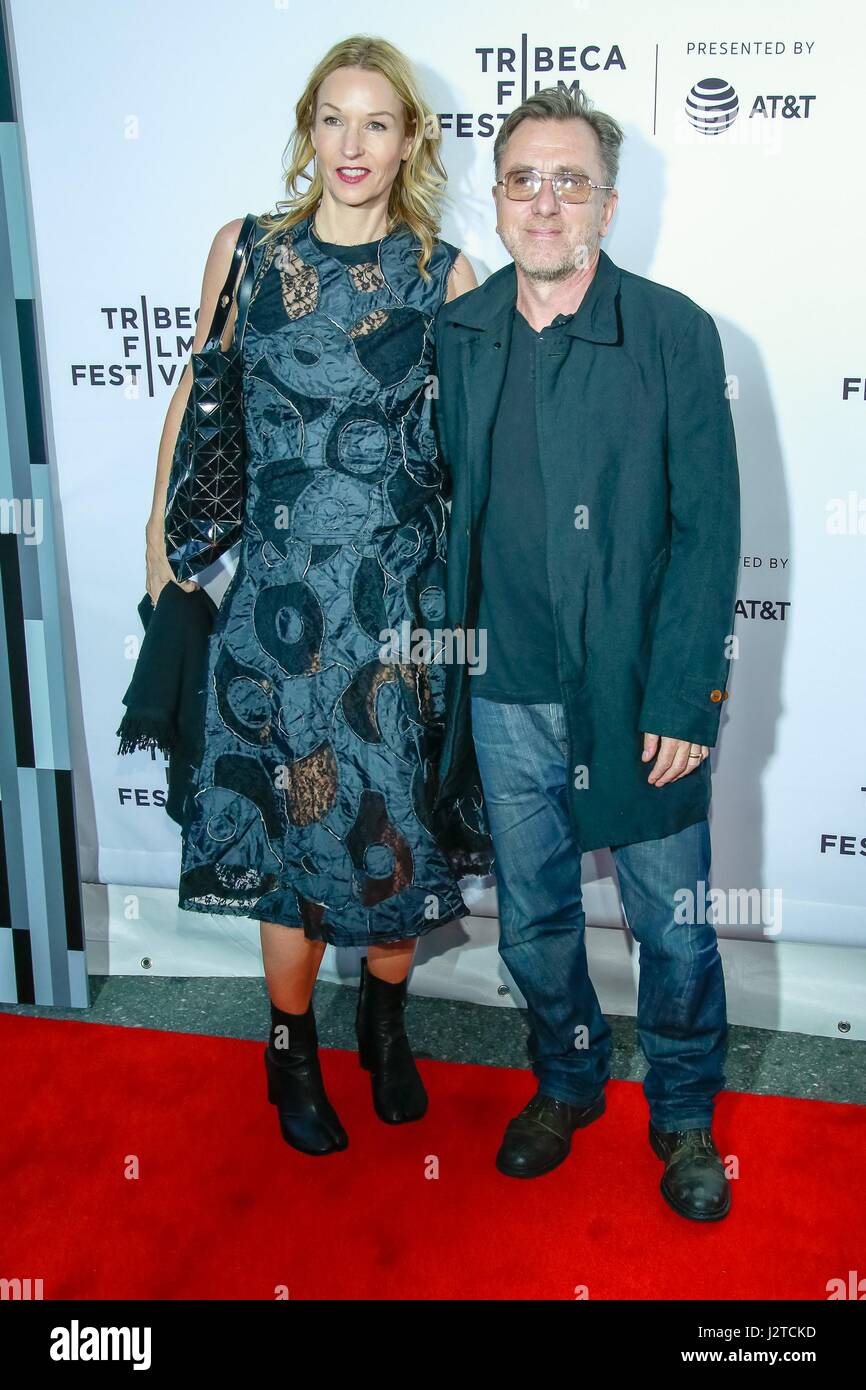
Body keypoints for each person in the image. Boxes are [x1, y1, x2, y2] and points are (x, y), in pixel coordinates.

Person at [144, 35, 489, 1157]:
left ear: (407, 143)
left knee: (394, 831)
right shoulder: (245, 250)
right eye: (334, 119)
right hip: (277, 606)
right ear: (309, 129)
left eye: (376, 123)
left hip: (399, 612)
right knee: (291, 842)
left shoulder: (443, 274)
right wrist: (162, 542)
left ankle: (383, 1023)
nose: (353, 144)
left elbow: (474, 454)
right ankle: (290, 1048)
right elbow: (202, 397)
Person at [432, 87, 741, 1220]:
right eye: (524, 179)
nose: (545, 202)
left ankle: (683, 1108)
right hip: (502, 691)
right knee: (532, 921)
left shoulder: (671, 330)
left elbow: (708, 533)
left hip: (636, 694)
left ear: (606, 204)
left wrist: (684, 696)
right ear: (498, 198)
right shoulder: (457, 338)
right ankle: (564, 1079)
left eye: (571, 181)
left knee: (670, 921)